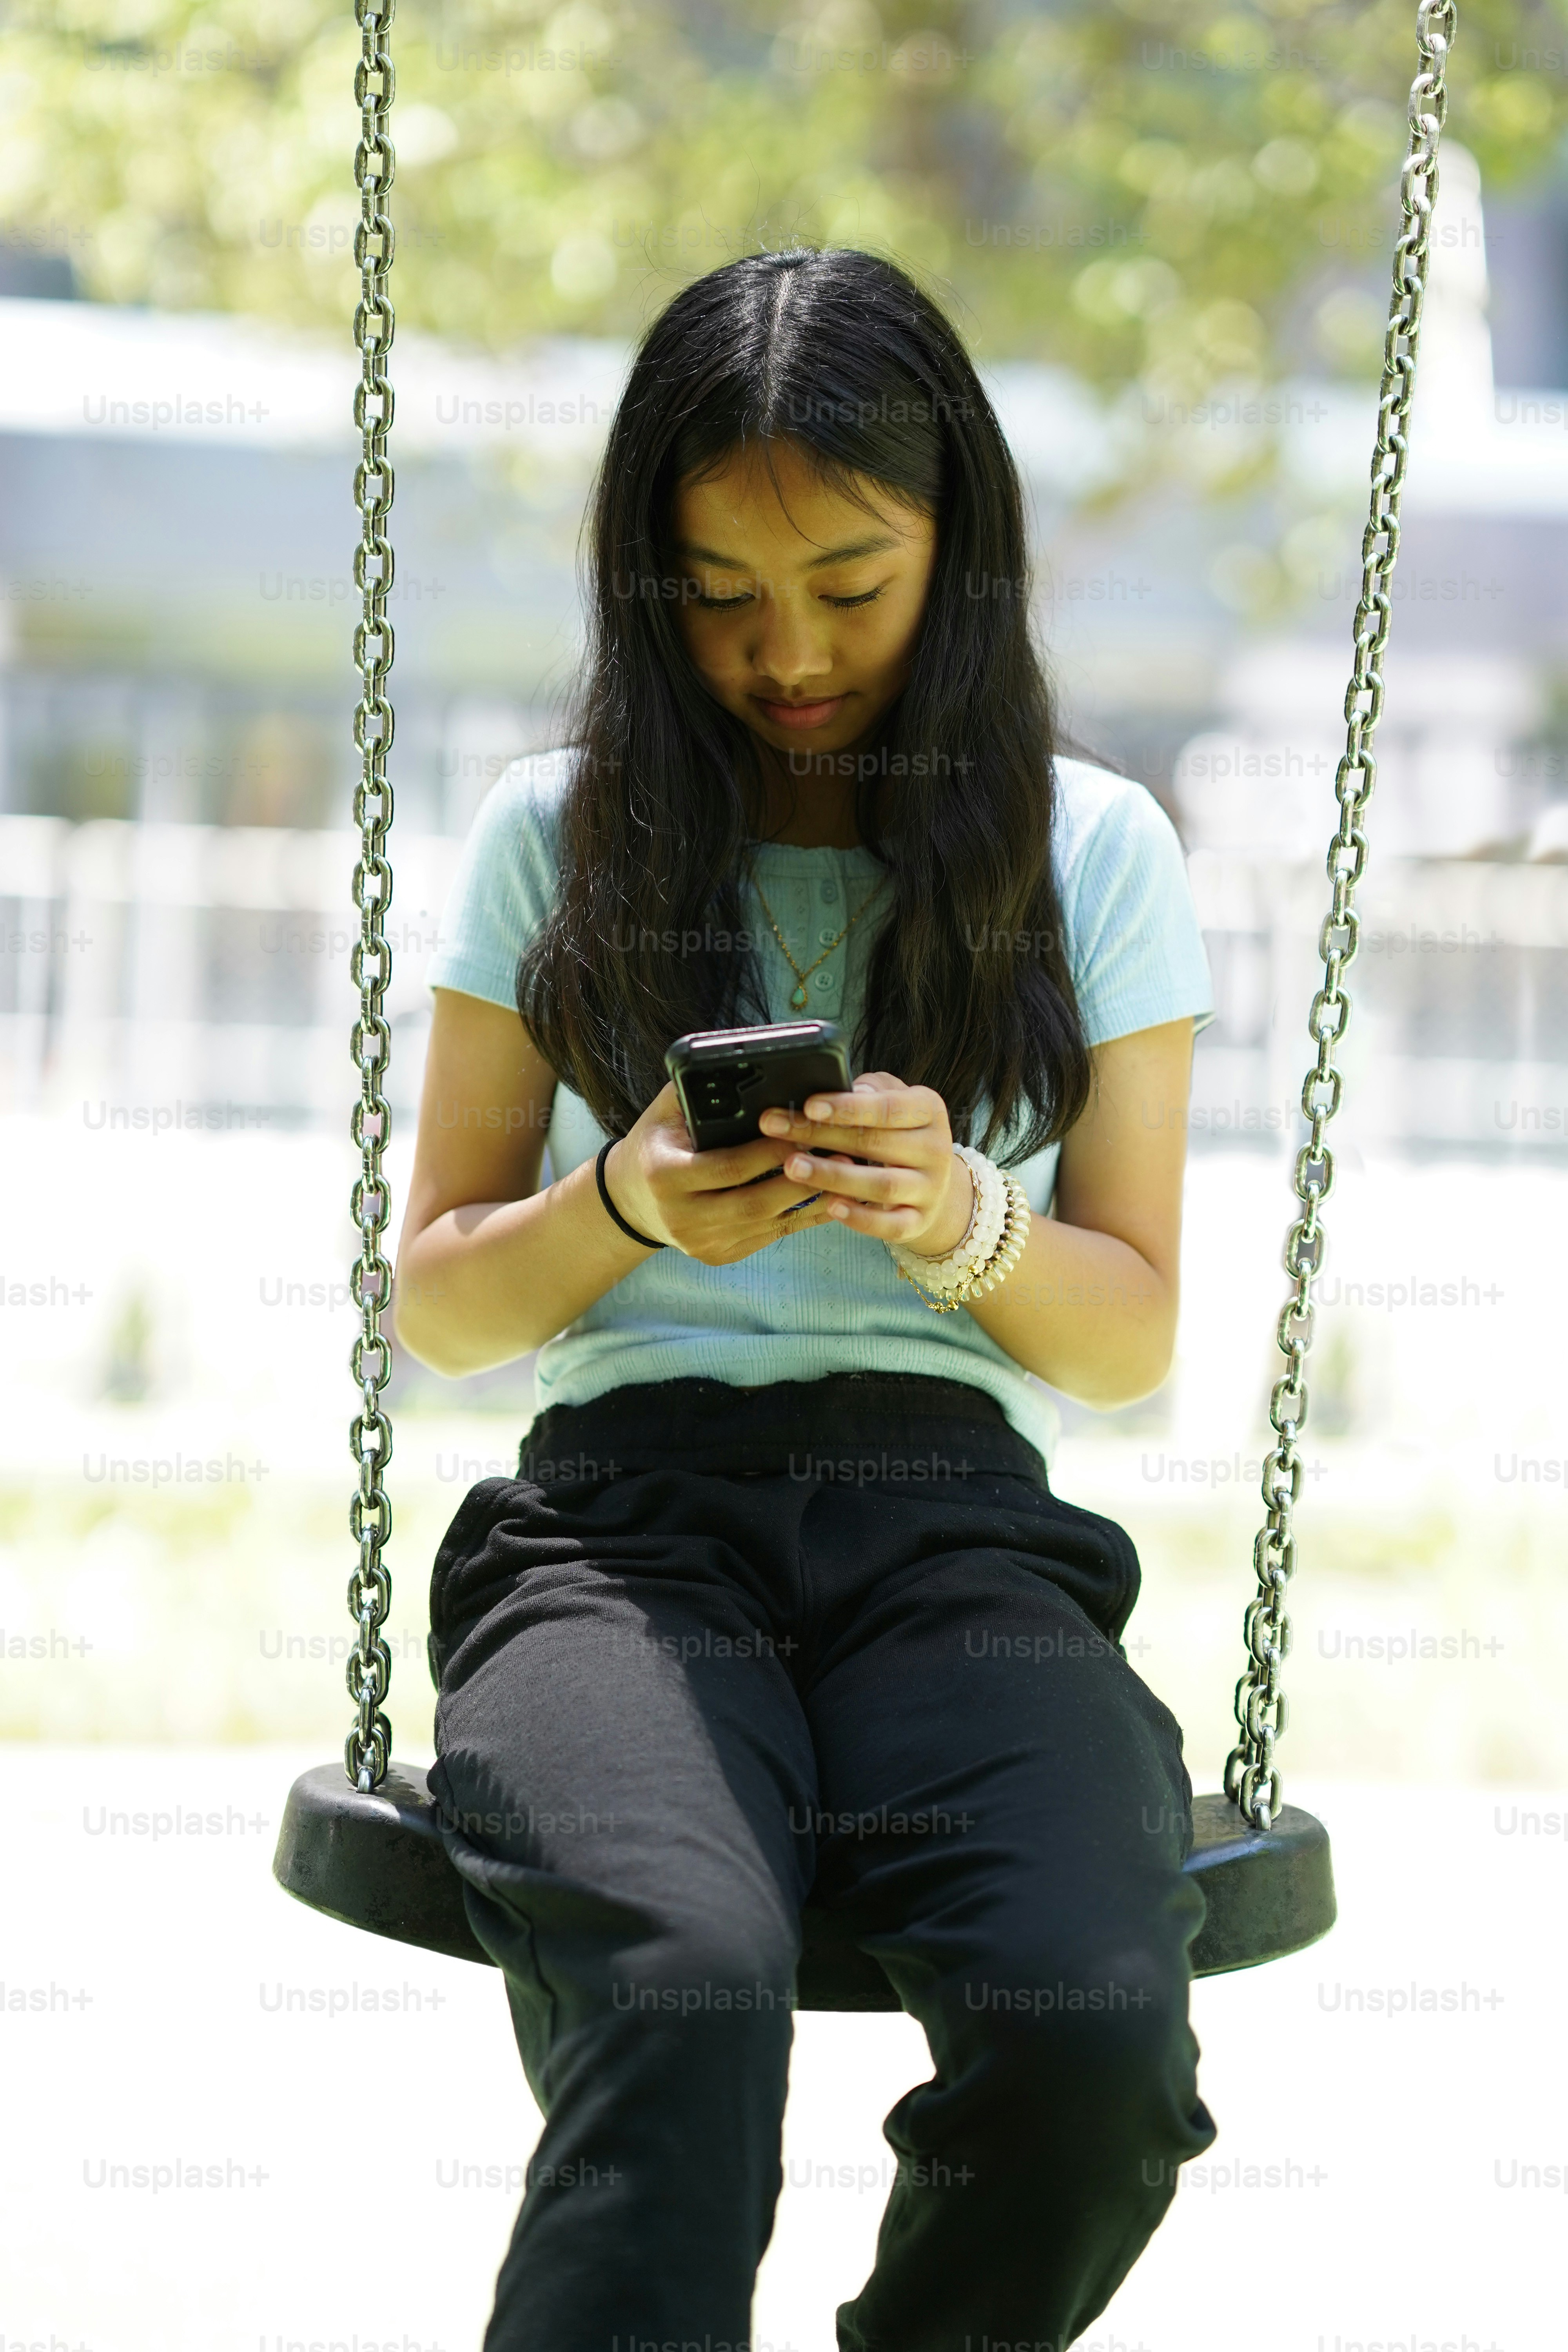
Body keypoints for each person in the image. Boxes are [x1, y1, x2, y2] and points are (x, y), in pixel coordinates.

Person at [395, 245, 1219, 2352]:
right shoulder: (554, 838)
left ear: (964, 550)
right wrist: (628, 1205)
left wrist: (963, 1222)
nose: (787, 653)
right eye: (720, 594)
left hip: (957, 1545)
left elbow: (1132, 1335)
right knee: (678, 1992)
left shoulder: (1097, 852)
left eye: (852, 586)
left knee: (1097, 2036)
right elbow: (444, 1308)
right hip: (621, 1540)